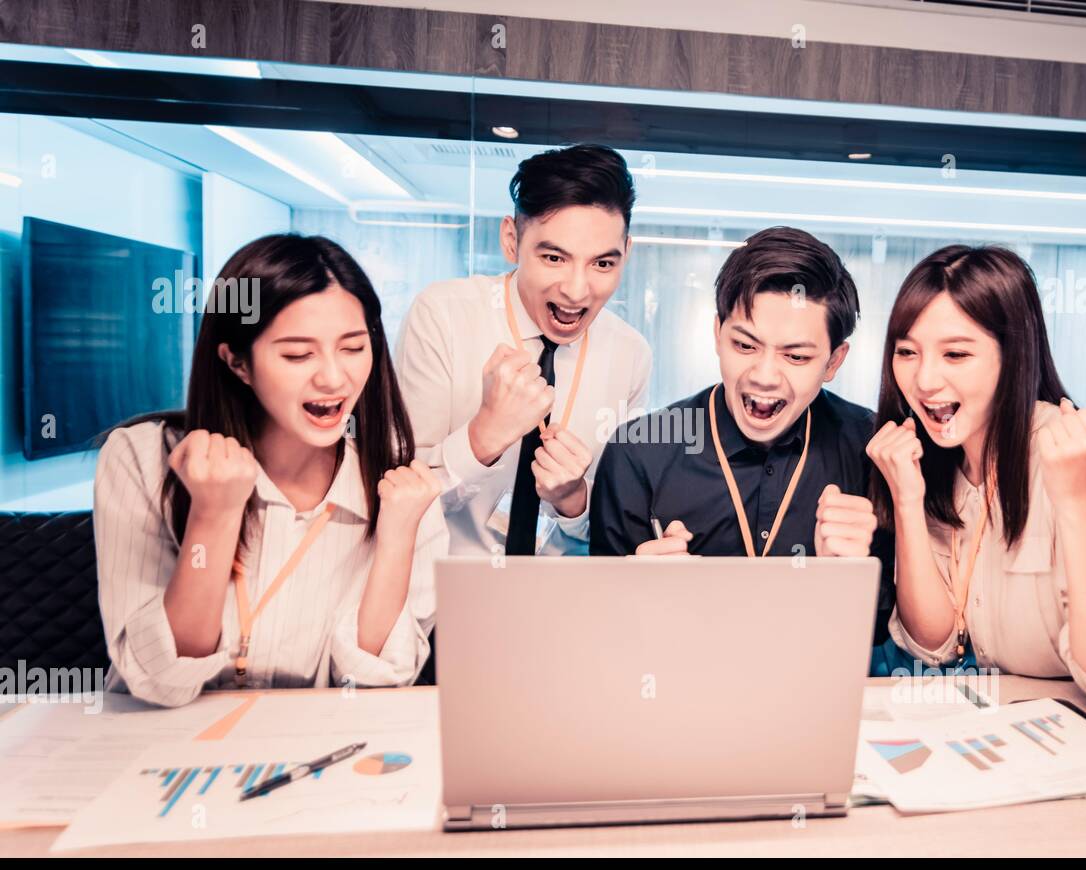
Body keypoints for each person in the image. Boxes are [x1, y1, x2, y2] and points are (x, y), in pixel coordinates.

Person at [96, 234, 447, 708]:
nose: (333, 378)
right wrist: (214, 514)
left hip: (313, 755)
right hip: (156, 751)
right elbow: (160, 679)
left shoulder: (403, 485)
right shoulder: (143, 456)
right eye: (298, 354)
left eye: (352, 347)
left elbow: (374, 686)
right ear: (237, 362)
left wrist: (397, 537)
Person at [866, 244, 1086, 720]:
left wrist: (1077, 503)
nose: (925, 379)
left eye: (956, 353)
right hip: (1006, 719)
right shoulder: (934, 457)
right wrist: (907, 501)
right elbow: (936, 644)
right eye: (907, 351)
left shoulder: (1075, 453)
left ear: (1012, 357)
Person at [396, 144, 651, 555]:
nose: (576, 290)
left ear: (626, 254)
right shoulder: (443, 315)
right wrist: (484, 436)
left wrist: (573, 500)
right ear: (512, 241)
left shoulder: (630, 354)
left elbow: (618, 524)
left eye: (603, 264)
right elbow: (393, 501)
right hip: (442, 604)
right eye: (554, 257)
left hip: (558, 605)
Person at [591, 226, 887, 577]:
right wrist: (640, 589)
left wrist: (847, 578)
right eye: (745, 346)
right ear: (718, 334)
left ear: (834, 362)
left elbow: (891, 622)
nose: (764, 375)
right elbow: (606, 618)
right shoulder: (638, 451)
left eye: (795, 357)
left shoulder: (871, 448)